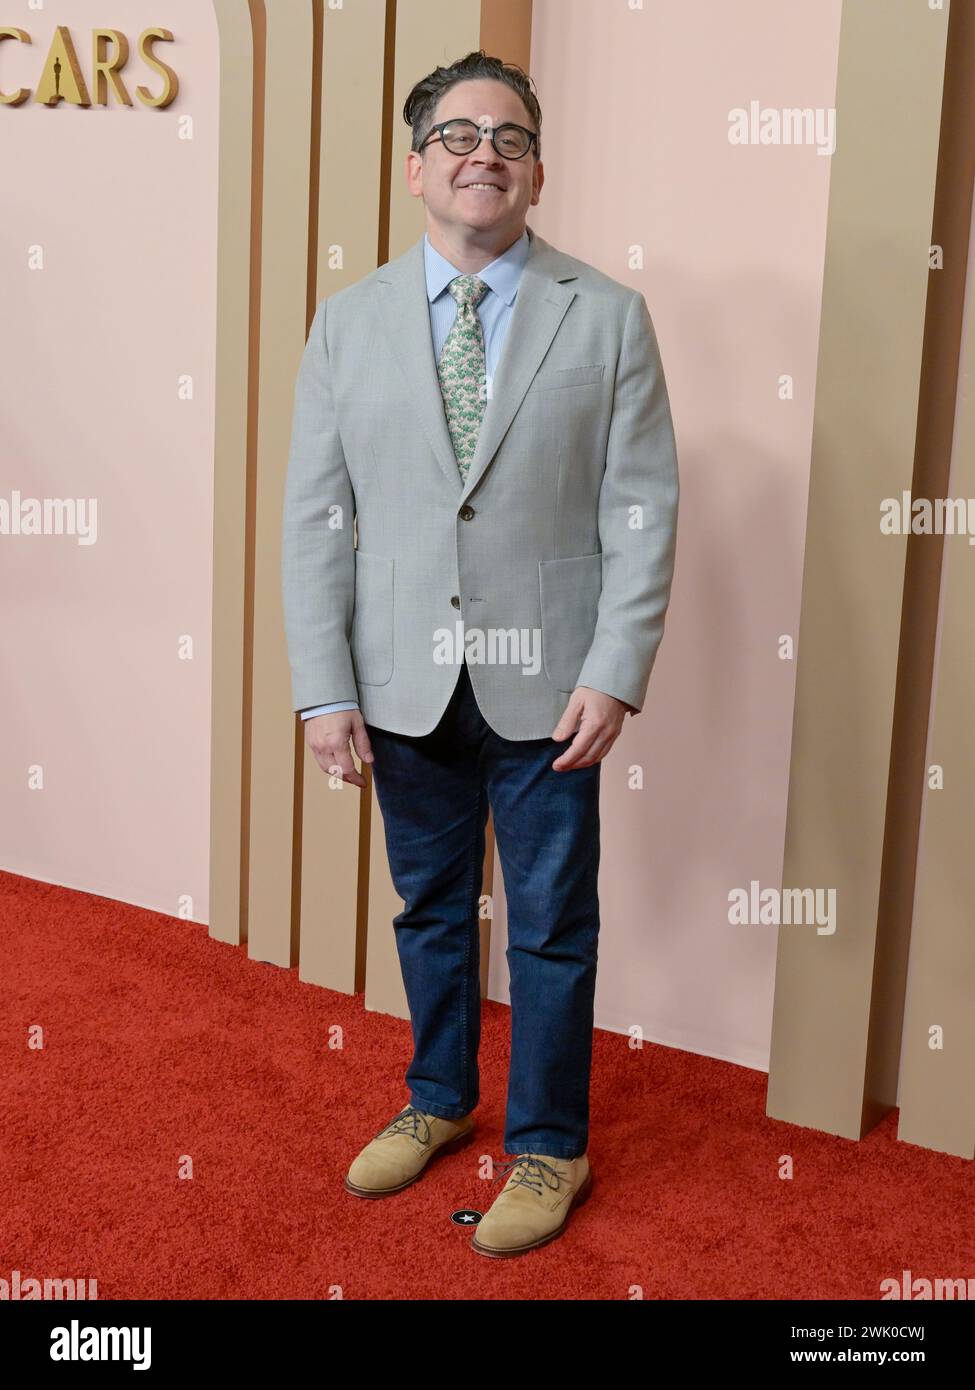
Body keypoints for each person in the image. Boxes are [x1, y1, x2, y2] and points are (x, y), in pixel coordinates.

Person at [281, 50, 679, 1259]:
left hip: (552, 689)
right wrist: (324, 688)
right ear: (415, 169)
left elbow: (642, 506)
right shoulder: (346, 324)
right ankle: (441, 1097)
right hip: (401, 684)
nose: (482, 157)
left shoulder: (605, 314)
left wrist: (616, 668)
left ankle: (552, 1143)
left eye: (508, 139)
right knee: (430, 910)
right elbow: (316, 517)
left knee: (554, 922)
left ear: (538, 170)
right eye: (458, 136)